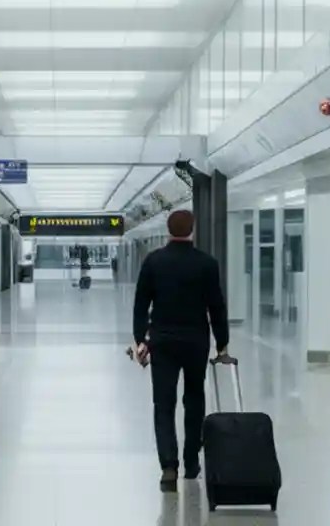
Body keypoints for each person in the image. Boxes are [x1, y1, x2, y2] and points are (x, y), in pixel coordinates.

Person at [131, 210, 228, 492]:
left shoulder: (153, 261)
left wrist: (140, 339)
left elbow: (140, 304)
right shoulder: (207, 264)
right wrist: (222, 342)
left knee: (163, 404)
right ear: (192, 230)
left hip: (162, 342)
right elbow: (216, 306)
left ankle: (169, 467)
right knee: (194, 399)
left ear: (168, 230)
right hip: (196, 341)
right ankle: (191, 461)